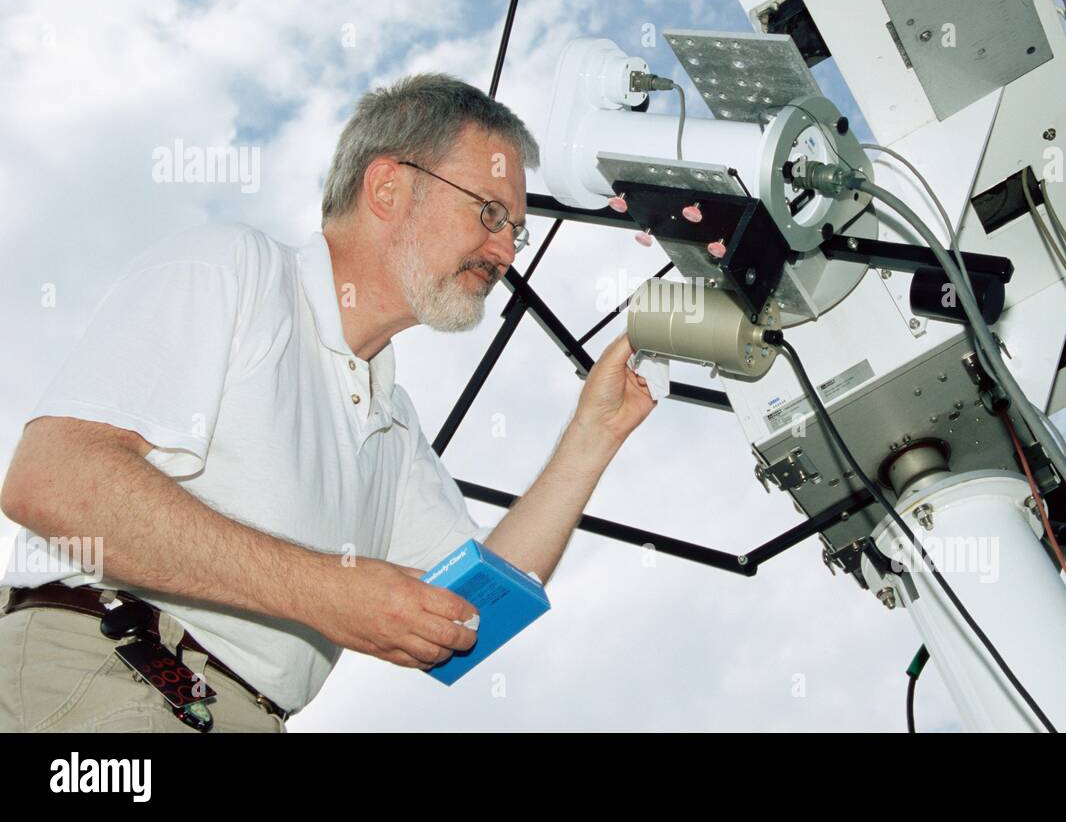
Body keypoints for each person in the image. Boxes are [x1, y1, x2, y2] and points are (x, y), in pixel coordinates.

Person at [0, 73, 657, 732]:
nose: (506, 251)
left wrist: (592, 436)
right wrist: (325, 590)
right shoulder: (238, 269)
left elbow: (468, 616)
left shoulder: (392, 423)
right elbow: (54, 479)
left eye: (517, 230)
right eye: (490, 213)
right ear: (388, 187)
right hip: (117, 670)